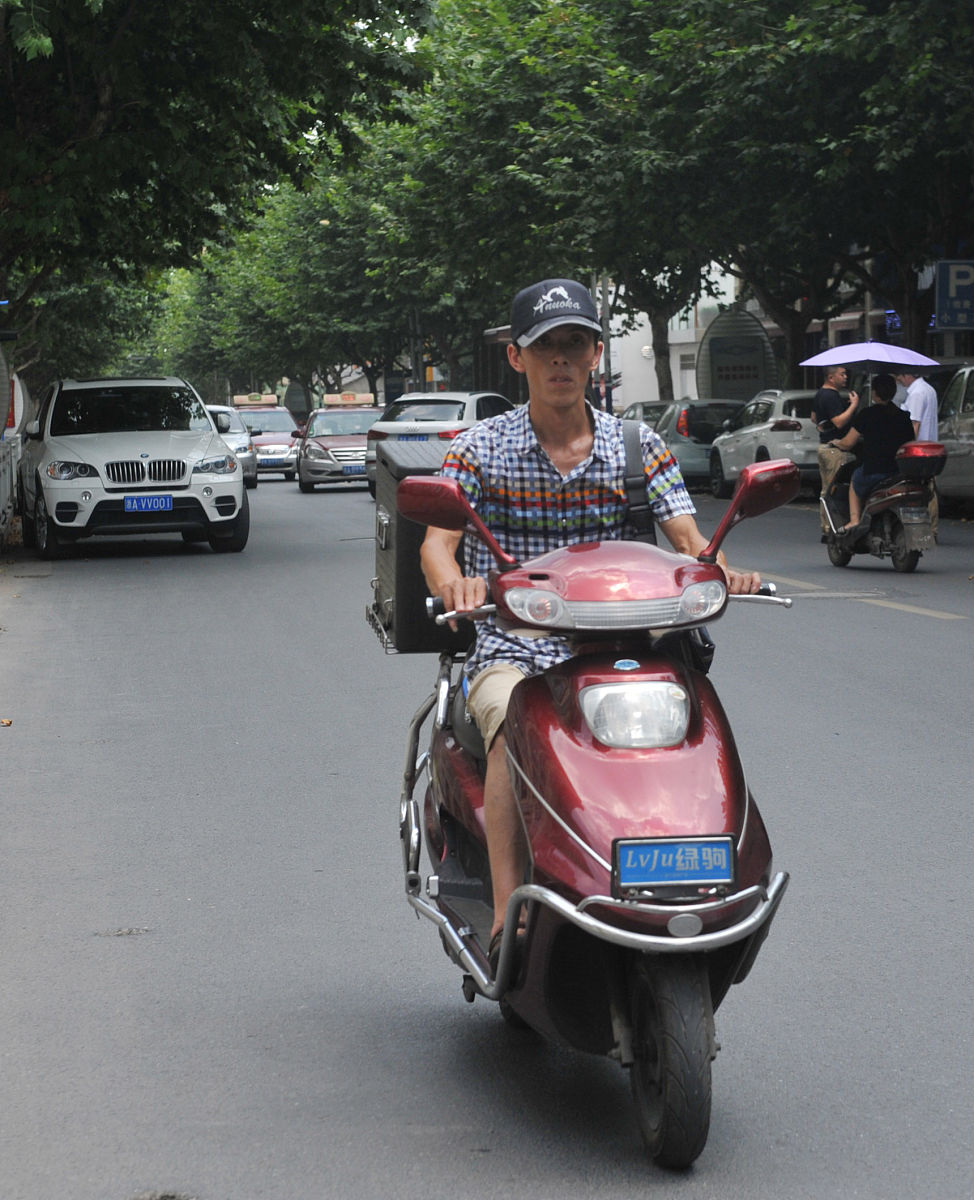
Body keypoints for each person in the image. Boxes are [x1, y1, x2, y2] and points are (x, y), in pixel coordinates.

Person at [419, 277, 761, 964]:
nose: (560, 362)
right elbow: (437, 542)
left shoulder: (638, 447)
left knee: (698, 734)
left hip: (631, 650)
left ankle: (698, 877)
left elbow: (692, 542)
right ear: (517, 358)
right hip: (516, 646)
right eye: (545, 348)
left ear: (596, 355)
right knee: (512, 731)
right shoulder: (479, 449)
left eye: (574, 346)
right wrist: (455, 584)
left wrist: (723, 568)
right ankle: (510, 913)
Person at [829, 372, 914, 530]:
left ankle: (854, 520)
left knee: (855, 480)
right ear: (894, 392)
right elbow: (910, 442)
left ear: (874, 393)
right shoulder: (903, 417)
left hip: (874, 470)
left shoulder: (867, 414)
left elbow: (848, 443)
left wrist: (837, 443)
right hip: (899, 472)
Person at [811, 365, 859, 535]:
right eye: (842, 374)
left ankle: (826, 525)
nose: (845, 377)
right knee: (834, 489)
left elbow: (814, 417)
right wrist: (853, 406)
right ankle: (833, 525)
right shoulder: (831, 396)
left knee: (826, 489)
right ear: (831, 377)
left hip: (823, 447)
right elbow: (839, 422)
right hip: (834, 449)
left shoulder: (820, 394)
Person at [894, 369, 939, 538]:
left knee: (921, 488)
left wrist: (906, 447)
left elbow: (914, 423)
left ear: (908, 375)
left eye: (900, 376)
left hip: (919, 448)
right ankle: (931, 527)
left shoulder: (917, 393)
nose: (899, 380)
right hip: (930, 445)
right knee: (928, 487)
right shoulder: (928, 389)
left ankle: (928, 528)